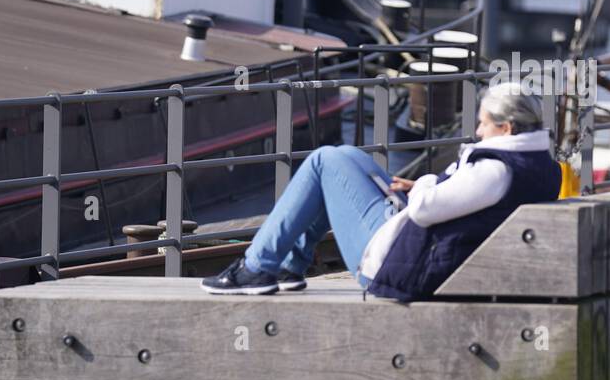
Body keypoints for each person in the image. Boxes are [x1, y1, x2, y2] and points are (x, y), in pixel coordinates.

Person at [202, 82, 562, 300]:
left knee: (324, 161)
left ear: (507, 127)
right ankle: (286, 268)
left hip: (398, 267)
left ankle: (255, 268)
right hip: (418, 249)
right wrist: (426, 187)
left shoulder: (496, 170)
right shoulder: (536, 163)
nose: (478, 132)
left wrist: (424, 183)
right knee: (347, 156)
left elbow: (424, 209)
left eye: (484, 124)